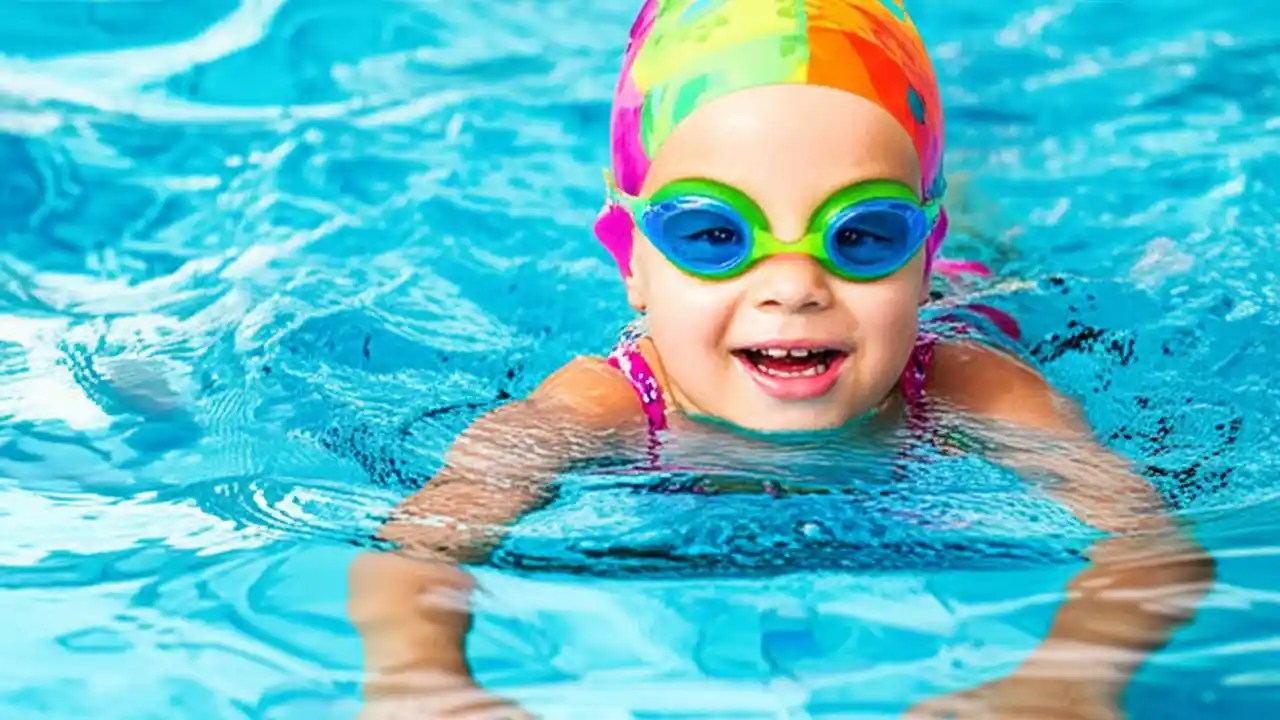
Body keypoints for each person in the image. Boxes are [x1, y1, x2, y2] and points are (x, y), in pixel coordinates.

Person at [348, 1, 1214, 717]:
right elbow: (415, 549)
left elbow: (1151, 549)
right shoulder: (600, 405)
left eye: (865, 233)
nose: (794, 287)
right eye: (714, 234)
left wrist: (1064, 677)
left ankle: (967, 195)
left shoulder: (971, 384)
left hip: (979, 301)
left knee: (1005, 259)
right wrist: (420, 681)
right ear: (632, 261)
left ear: (919, 257)